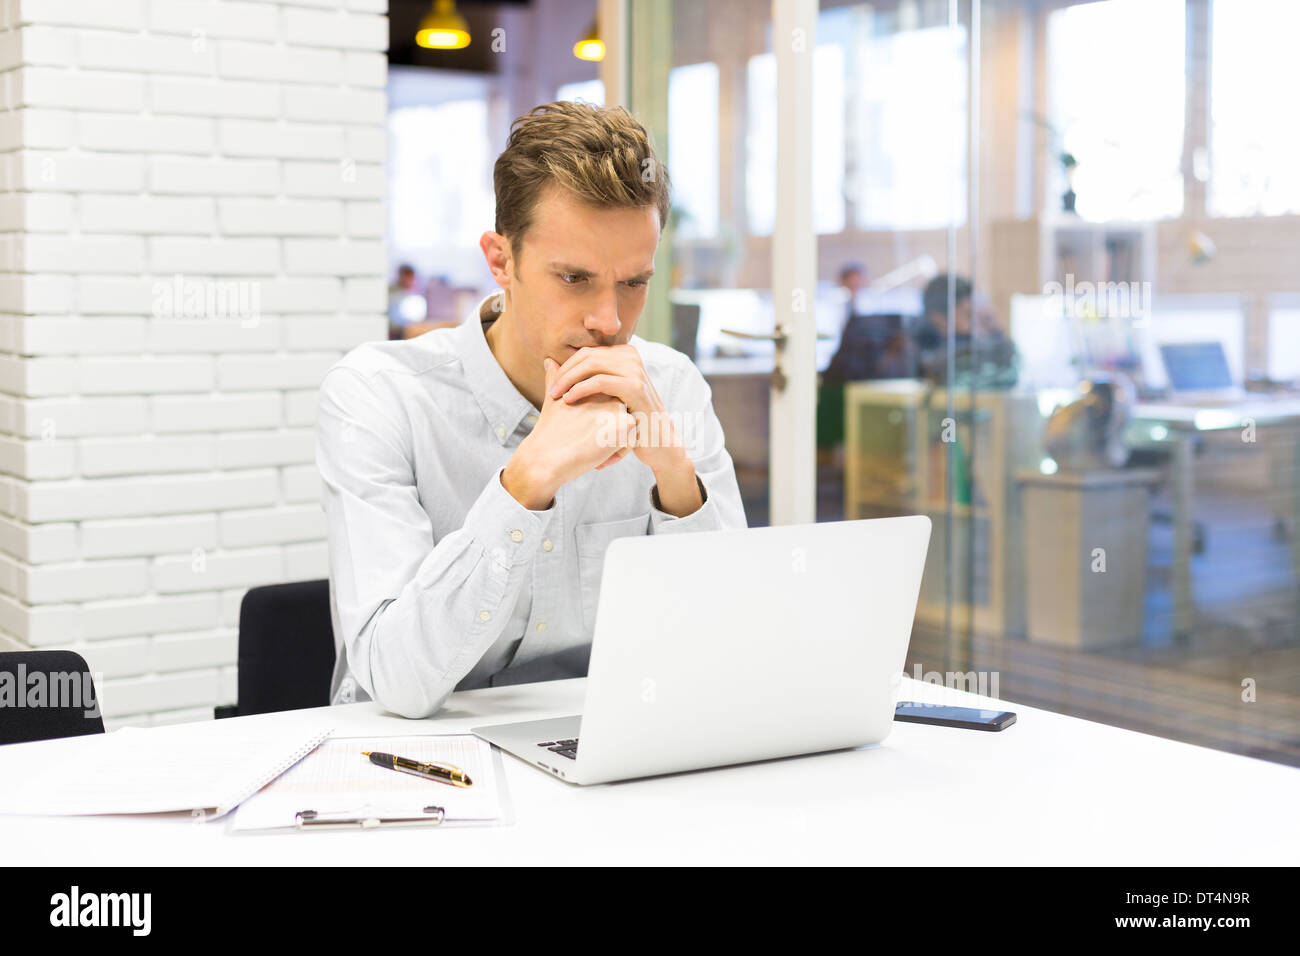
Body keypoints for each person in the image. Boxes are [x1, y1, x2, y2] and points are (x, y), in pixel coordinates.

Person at [316, 102, 748, 719]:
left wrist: (675, 478)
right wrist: (526, 482)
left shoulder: (671, 387)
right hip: (421, 761)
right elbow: (399, 680)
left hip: (609, 752)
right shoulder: (377, 397)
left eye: (634, 283)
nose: (608, 320)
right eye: (575, 278)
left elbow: (731, 647)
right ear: (501, 260)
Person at [912, 274, 1017, 387]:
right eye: (966, 314)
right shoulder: (931, 352)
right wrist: (997, 334)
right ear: (939, 317)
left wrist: (996, 331)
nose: (972, 321)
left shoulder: (962, 343)